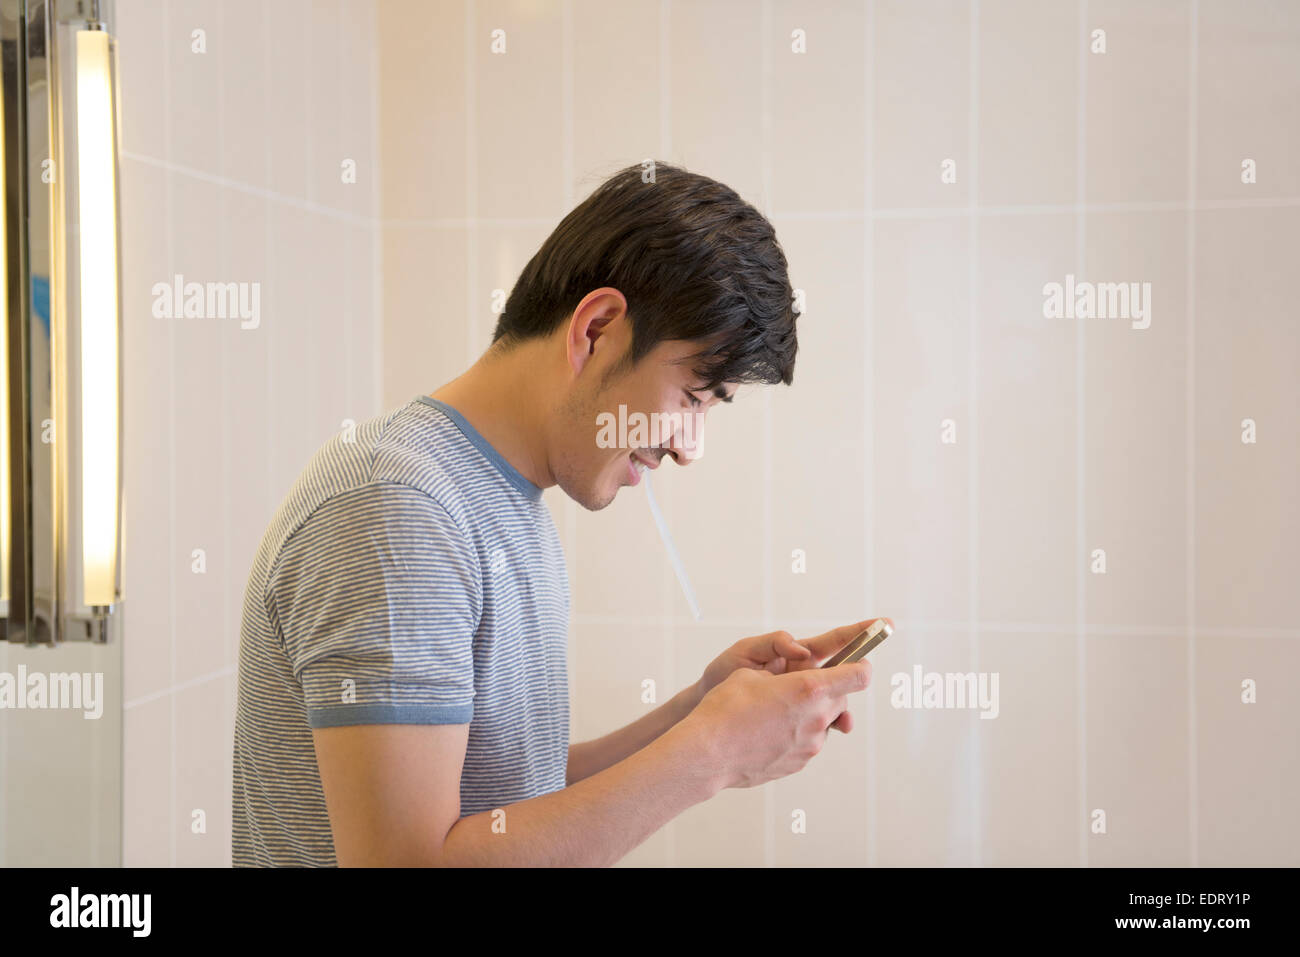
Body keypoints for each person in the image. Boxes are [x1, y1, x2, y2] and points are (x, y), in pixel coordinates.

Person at [232, 161, 883, 866]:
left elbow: (510, 799)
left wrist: (700, 709)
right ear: (597, 328)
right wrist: (713, 752)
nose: (689, 449)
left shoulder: (502, 499)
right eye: (695, 397)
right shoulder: (397, 507)